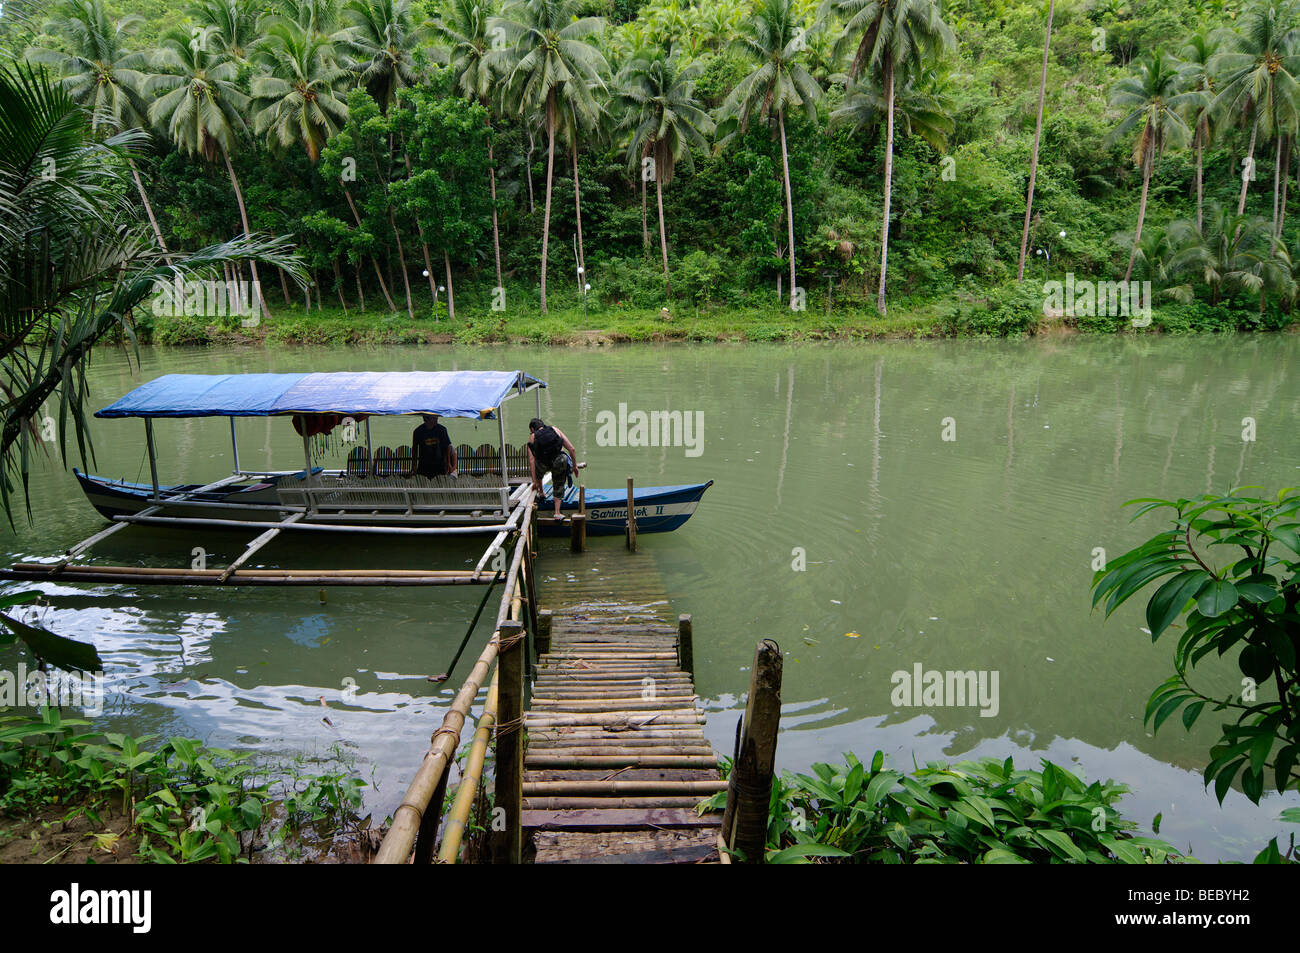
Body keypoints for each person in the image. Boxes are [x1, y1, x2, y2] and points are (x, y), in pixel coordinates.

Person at [527, 417, 580, 519]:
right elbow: (572, 449)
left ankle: (541, 492)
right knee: (559, 484)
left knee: (539, 468)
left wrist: (534, 482)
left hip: (543, 462)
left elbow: (531, 460)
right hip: (559, 460)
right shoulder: (554, 429)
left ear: (532, 429)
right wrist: (574, 466)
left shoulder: (533, 437)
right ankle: (557, 513)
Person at [410, 413, 458, 479]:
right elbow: (414, 449)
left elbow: (447, 447)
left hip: (440, 465)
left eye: (436, 417)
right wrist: (413, 467)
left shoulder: (442, 430)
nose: (437, 419)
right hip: (424, 465)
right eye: (434, 417)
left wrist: (448, 463)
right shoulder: (418, 431)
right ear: (426, 419)